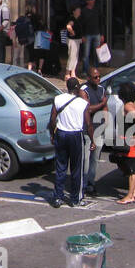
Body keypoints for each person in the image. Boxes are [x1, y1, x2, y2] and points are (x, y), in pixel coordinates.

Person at [49, 77, 87, 208]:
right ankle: (75, 198)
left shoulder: (58, 99)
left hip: (61, 133)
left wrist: (53, 134)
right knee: (76, 169)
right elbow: (88, 123)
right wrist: (92, 140)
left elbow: (53, 118)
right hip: (75, 135)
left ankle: (57, 197)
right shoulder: (82, 103)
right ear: (77, 88)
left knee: (61, 167)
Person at [80, 67, 108, 198]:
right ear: (89, 78)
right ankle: (83, 184)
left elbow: (105, 108)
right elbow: (88, 109)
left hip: (99, 129)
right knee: (86, 159)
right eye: (95, 77)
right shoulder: (83, 90)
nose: (98, 79)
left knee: (95, 159)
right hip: (87, 130)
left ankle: (91, 183)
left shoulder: (101, 89)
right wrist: (102, 104)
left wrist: (106, 122)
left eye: (99, 77)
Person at [117, 82, 135, 204]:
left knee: (130, 169)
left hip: (129, 141)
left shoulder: (128, 107)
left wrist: (134, 135)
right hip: (134, 140)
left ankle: (129, 196)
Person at [76, 0, 103, 71]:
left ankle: (96, 69)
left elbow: (101, 22)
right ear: (87, 1)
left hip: (97, 33)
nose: (92, 1)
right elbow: (81, 24)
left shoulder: (97, 9)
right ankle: (85, 70)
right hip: (87, 34)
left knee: (96, 53)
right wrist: (82, 35)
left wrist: (102, 34)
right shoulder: (84, 11)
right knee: (86, 54)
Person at [62, 6, 81, 78]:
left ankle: (73, 72)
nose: (79, 12)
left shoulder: (78, 19)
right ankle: (67, 73)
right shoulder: (72, 19)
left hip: (77, 40)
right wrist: (72, 32)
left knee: (75, 57)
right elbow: (68, 26)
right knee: (72, 56)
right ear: (74, 11)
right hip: (73, 40)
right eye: (78, 10)